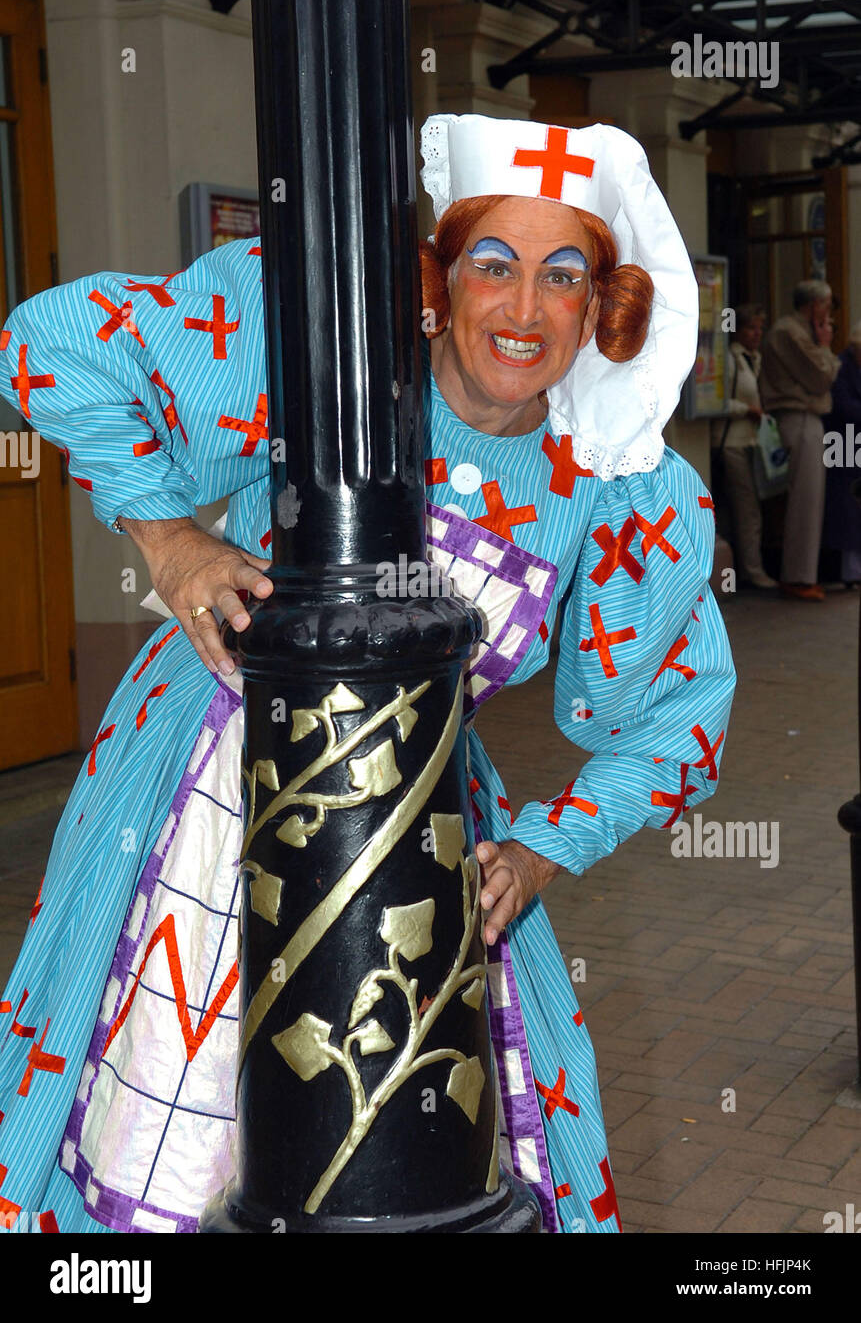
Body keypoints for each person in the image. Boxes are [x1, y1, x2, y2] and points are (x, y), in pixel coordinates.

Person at [0, 114, 736, 1234]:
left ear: (604, 305)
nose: (525, 311)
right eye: (494, 264)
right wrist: (170, 538)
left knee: (414, 1157)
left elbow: (681, 710)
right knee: (149, 1100)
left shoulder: (619, 489)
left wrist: (546, 844)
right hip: (193, 785)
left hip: (420, 824)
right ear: (443, 276)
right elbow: (50, 340)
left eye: (564, 275)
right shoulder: (317, 360)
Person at [759, 279, 841, 601]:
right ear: (814, 305)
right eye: (827, 304)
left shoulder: (794, 331)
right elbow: (821, 378)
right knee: (804, 501)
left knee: (808, 500)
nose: (829, 312)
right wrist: (824, 345)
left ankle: (801, 573)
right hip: (798, 417)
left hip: (805, 419)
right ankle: (797, 576)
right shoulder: (789, 332)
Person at [710, 303, 776, 590]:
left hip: (752, 441)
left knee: (751, 506)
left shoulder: (755, 358)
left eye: (760, 329)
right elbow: (716, 398)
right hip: (732, 442)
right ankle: (751, 571)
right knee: (745, 508)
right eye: (751, 328)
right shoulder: (730, 359)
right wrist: (745, 409)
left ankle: (748, 567)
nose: (756, 334)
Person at [823, 320, 861, 588]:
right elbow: (844, 408)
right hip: (843, 443)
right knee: (847, 507)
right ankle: (851, 572)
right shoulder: (842, 366)